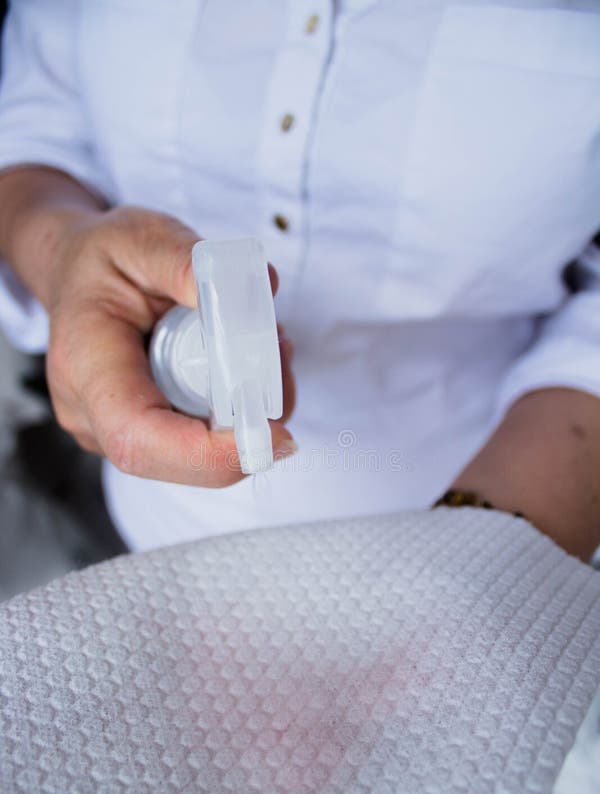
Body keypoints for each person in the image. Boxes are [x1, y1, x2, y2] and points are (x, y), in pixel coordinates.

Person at [0, 0, 599, 564]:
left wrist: (480, 558)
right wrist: (62, 251)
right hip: (149, 527)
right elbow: (35, 119)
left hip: (496, 518)